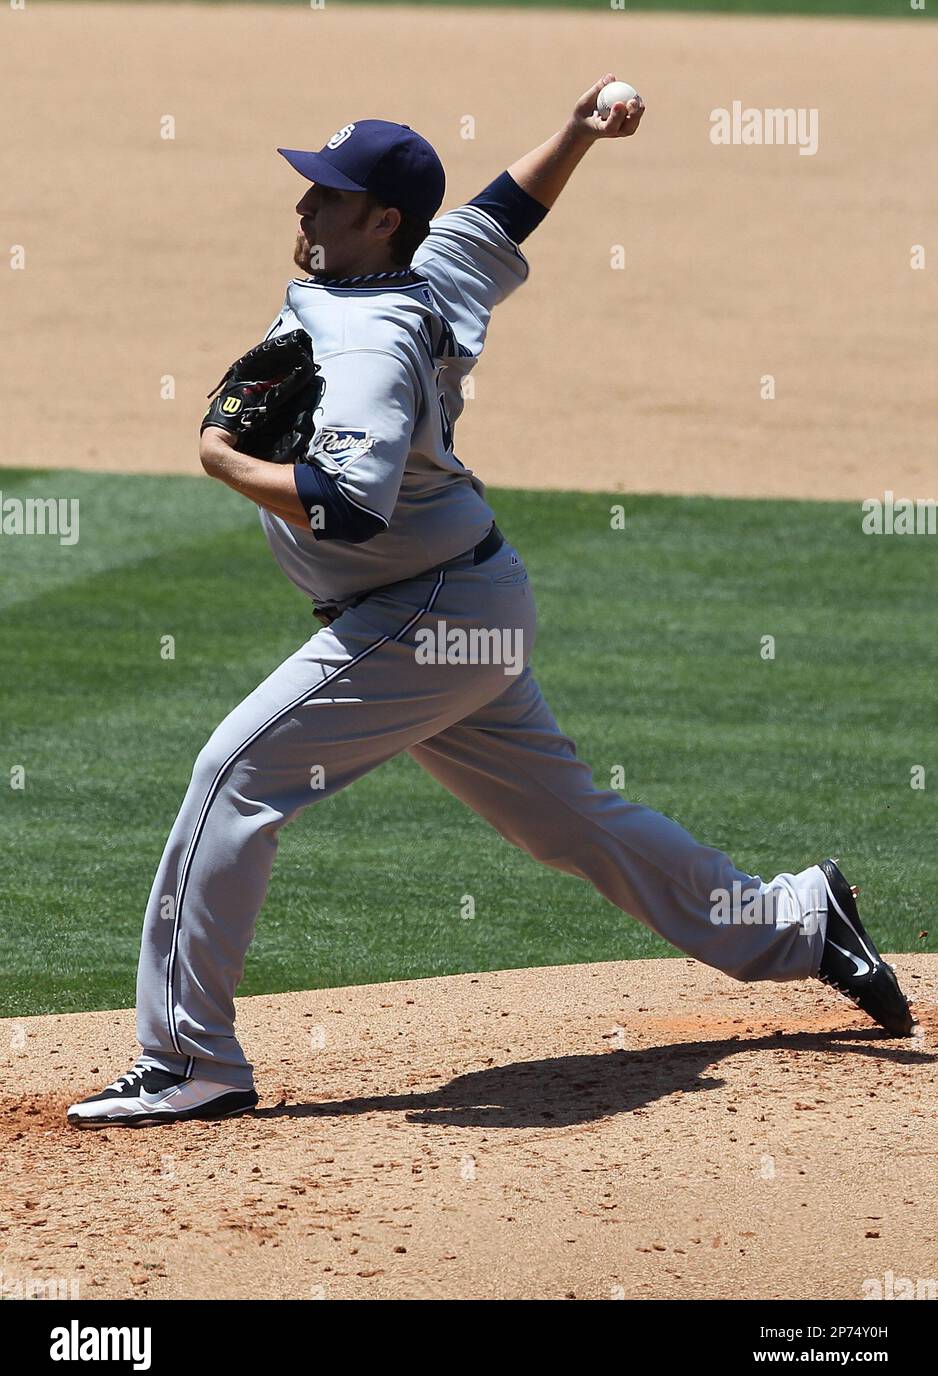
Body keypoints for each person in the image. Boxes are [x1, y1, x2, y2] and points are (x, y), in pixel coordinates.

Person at [68, 77, 913, 1129]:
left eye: (326, 199)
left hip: (414, 614)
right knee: (565, 819)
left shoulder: (372, 345)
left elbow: (346, 508)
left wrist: (223, 461)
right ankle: (792, 918)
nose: (303, 211)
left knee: (233, 775)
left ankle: (188, 1056)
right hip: (466, 600)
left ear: (379, 219)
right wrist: (577, 131)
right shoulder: (427, 265)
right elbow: (501, 210)